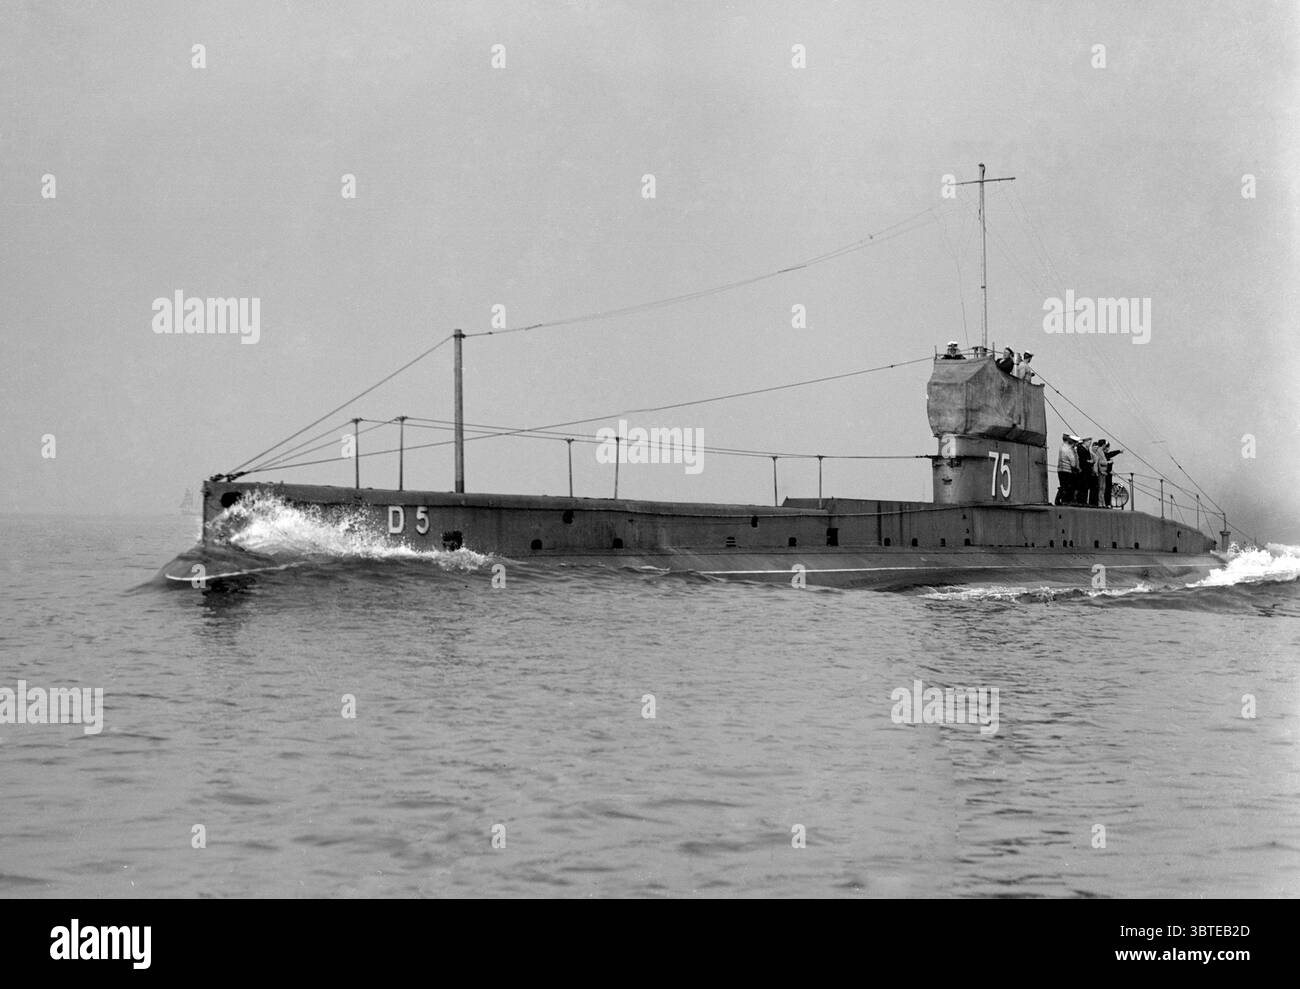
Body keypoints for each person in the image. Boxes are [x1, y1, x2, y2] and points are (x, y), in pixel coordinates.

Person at [1056, 433, 1078, 505]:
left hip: (1060, 470)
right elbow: (1073, 464)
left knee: (1063, 485)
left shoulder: (1062, 447)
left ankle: (1060, 500)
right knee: (1067, 486)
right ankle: (1064, 500)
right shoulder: (1068, 450)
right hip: (1067, 470)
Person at [1075, 437, 1095, 505]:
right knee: (1082, 486)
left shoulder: (1087, 449)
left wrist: (1090, 461)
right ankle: (1081, 501)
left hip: (1087, 471)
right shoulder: (1081, 449)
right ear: (1085, 442)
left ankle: (1083, 501)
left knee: (1086, 487)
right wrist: (1090, 461)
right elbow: (1082, 460)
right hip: (1083, 471)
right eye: (1089, 442)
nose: (1090, 444)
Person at [1091, 439, 1111, 507]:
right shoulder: (1099, 451)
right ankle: (1100, 503)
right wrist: (1107, 462)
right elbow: (1099, 461)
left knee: (1102, 488)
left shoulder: (1100, 451)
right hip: (1101, 472)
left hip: (1103, 472)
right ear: (1104, 444)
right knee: (1101, 488)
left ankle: (1102, 503)